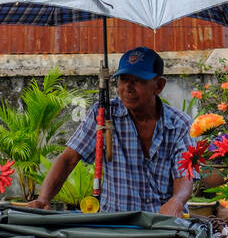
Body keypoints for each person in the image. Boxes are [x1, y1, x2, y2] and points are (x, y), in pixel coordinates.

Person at [28, 46, 192, 215]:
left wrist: (177, 201)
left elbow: (185, 173)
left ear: (159, 85)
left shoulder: (179, 124)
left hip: (163, 222)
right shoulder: (104, 114)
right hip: (115, 222)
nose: (128, 87)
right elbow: (69, 158)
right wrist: (44, 199)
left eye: (138, 80)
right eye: (123, 79)